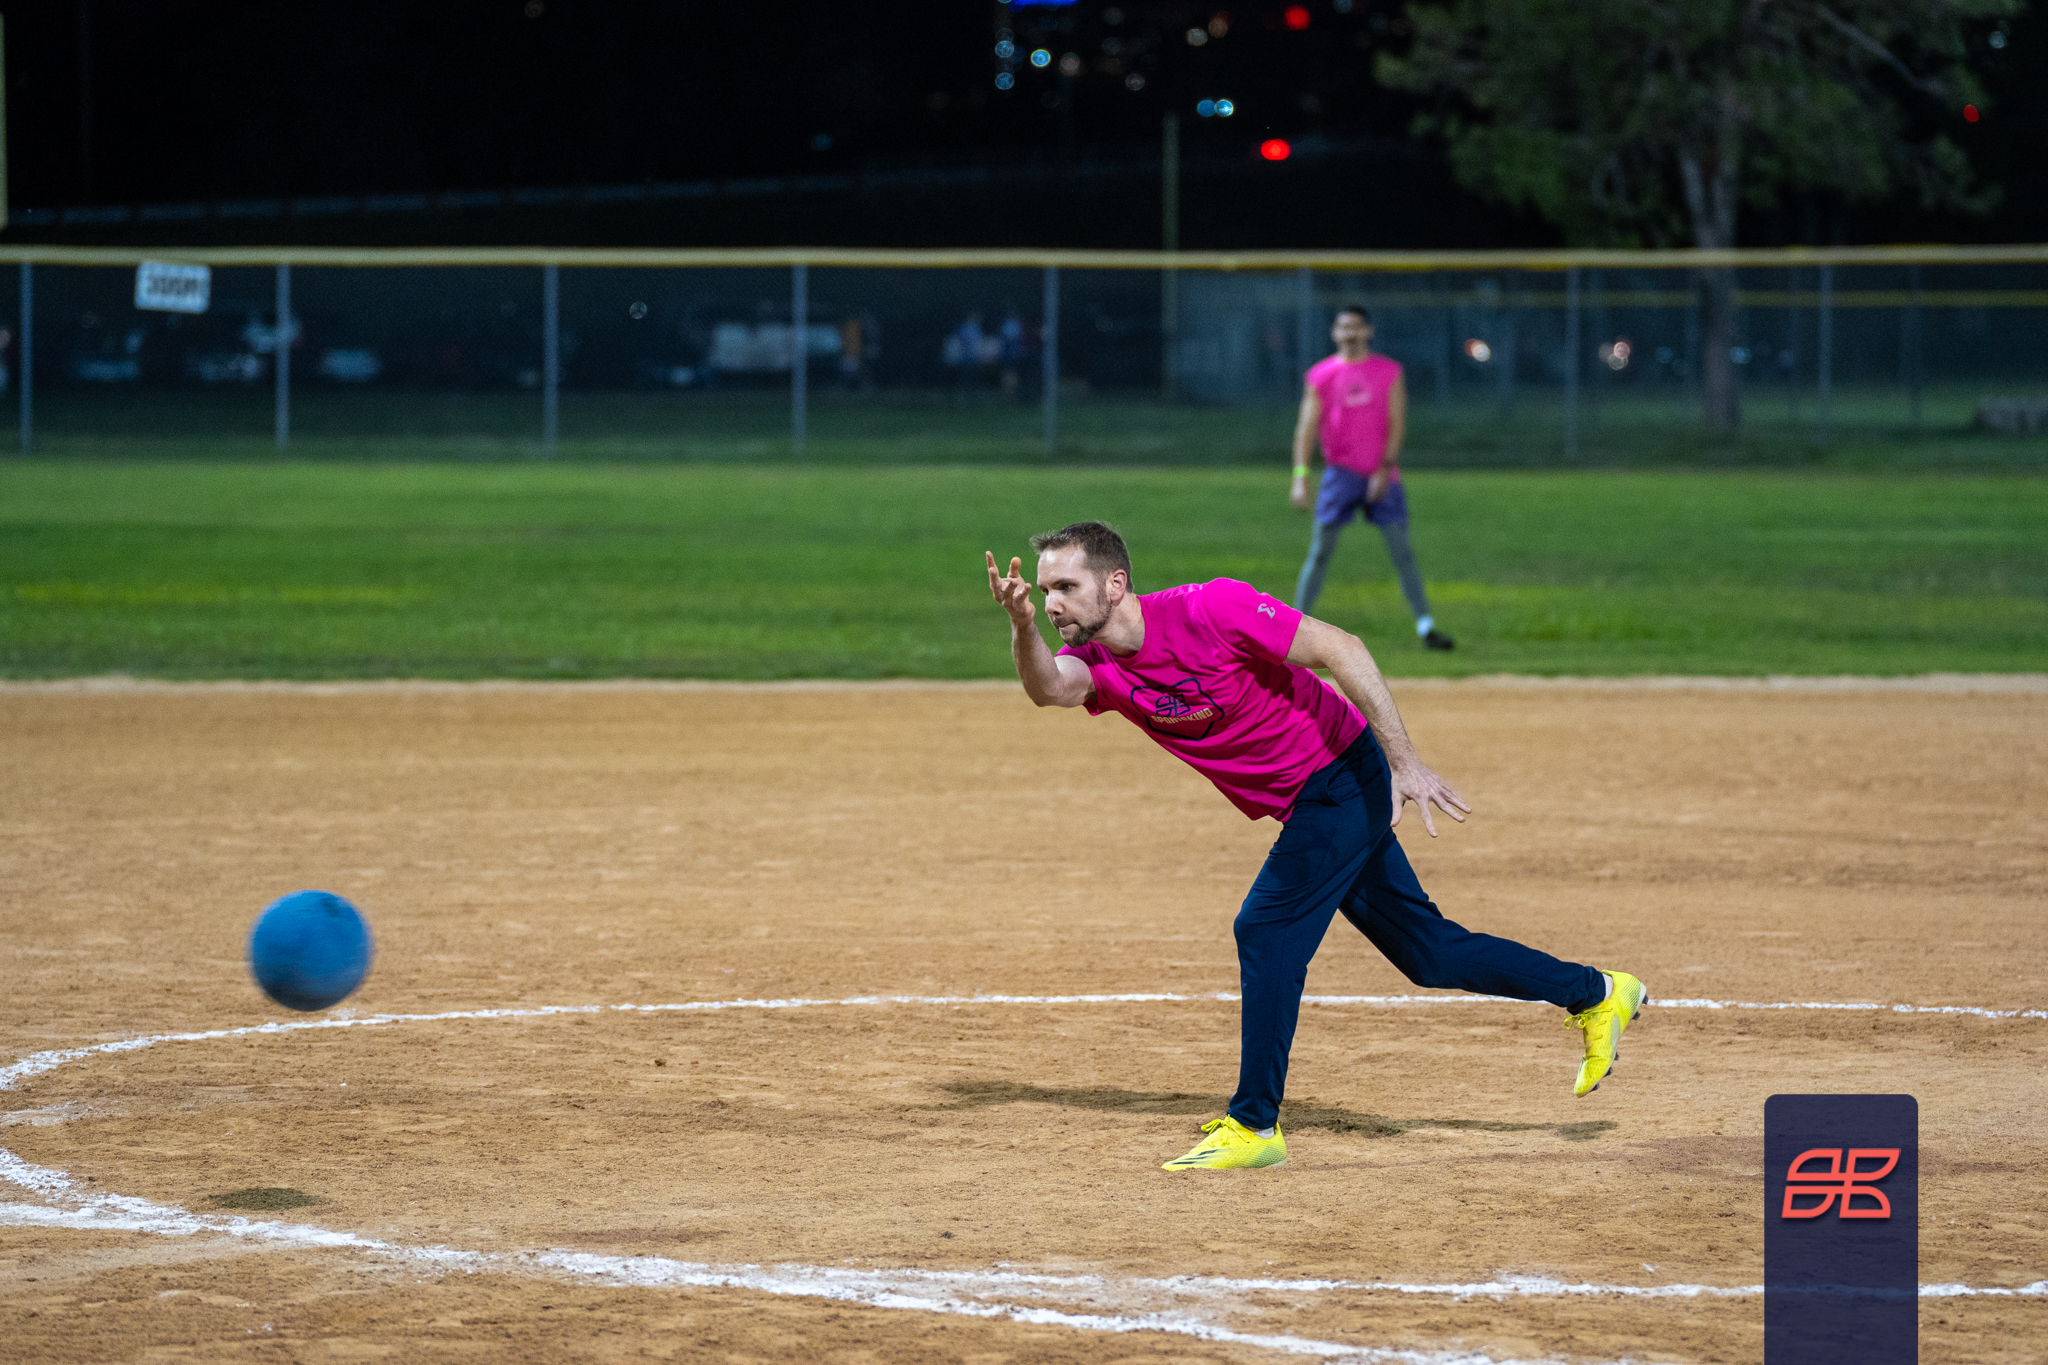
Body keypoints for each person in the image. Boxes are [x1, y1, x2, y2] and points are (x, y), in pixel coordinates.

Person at [984, 522, 1645, 1171]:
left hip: (1341, 777)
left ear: (1115, 584)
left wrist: (1405, 762)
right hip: (1311, 801)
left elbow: (1342, 648)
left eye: (1065, 587)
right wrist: (1021, 624)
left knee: (1265, 927)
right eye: (1045, 592)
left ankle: (1254, 1125)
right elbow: (1049, 689)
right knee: (1428, 952)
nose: (1053, 604)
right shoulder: (1099, 663)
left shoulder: (1211, 609)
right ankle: (1596, 991)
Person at [1290, 305, 1455, 651]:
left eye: (1356, 326)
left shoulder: (1388, 371)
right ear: (1334, 333)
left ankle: (1426, 627)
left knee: (1402, 552)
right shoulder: (1321, 375)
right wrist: (1301, 476)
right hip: (1339, 475)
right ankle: (1290, 631)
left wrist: (1384, 468)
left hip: (1382, 475)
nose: (1350, 333)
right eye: (1343, 327)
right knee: (1320, 552)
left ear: (1368, 331)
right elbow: (1306, 428)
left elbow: (1397, 422)